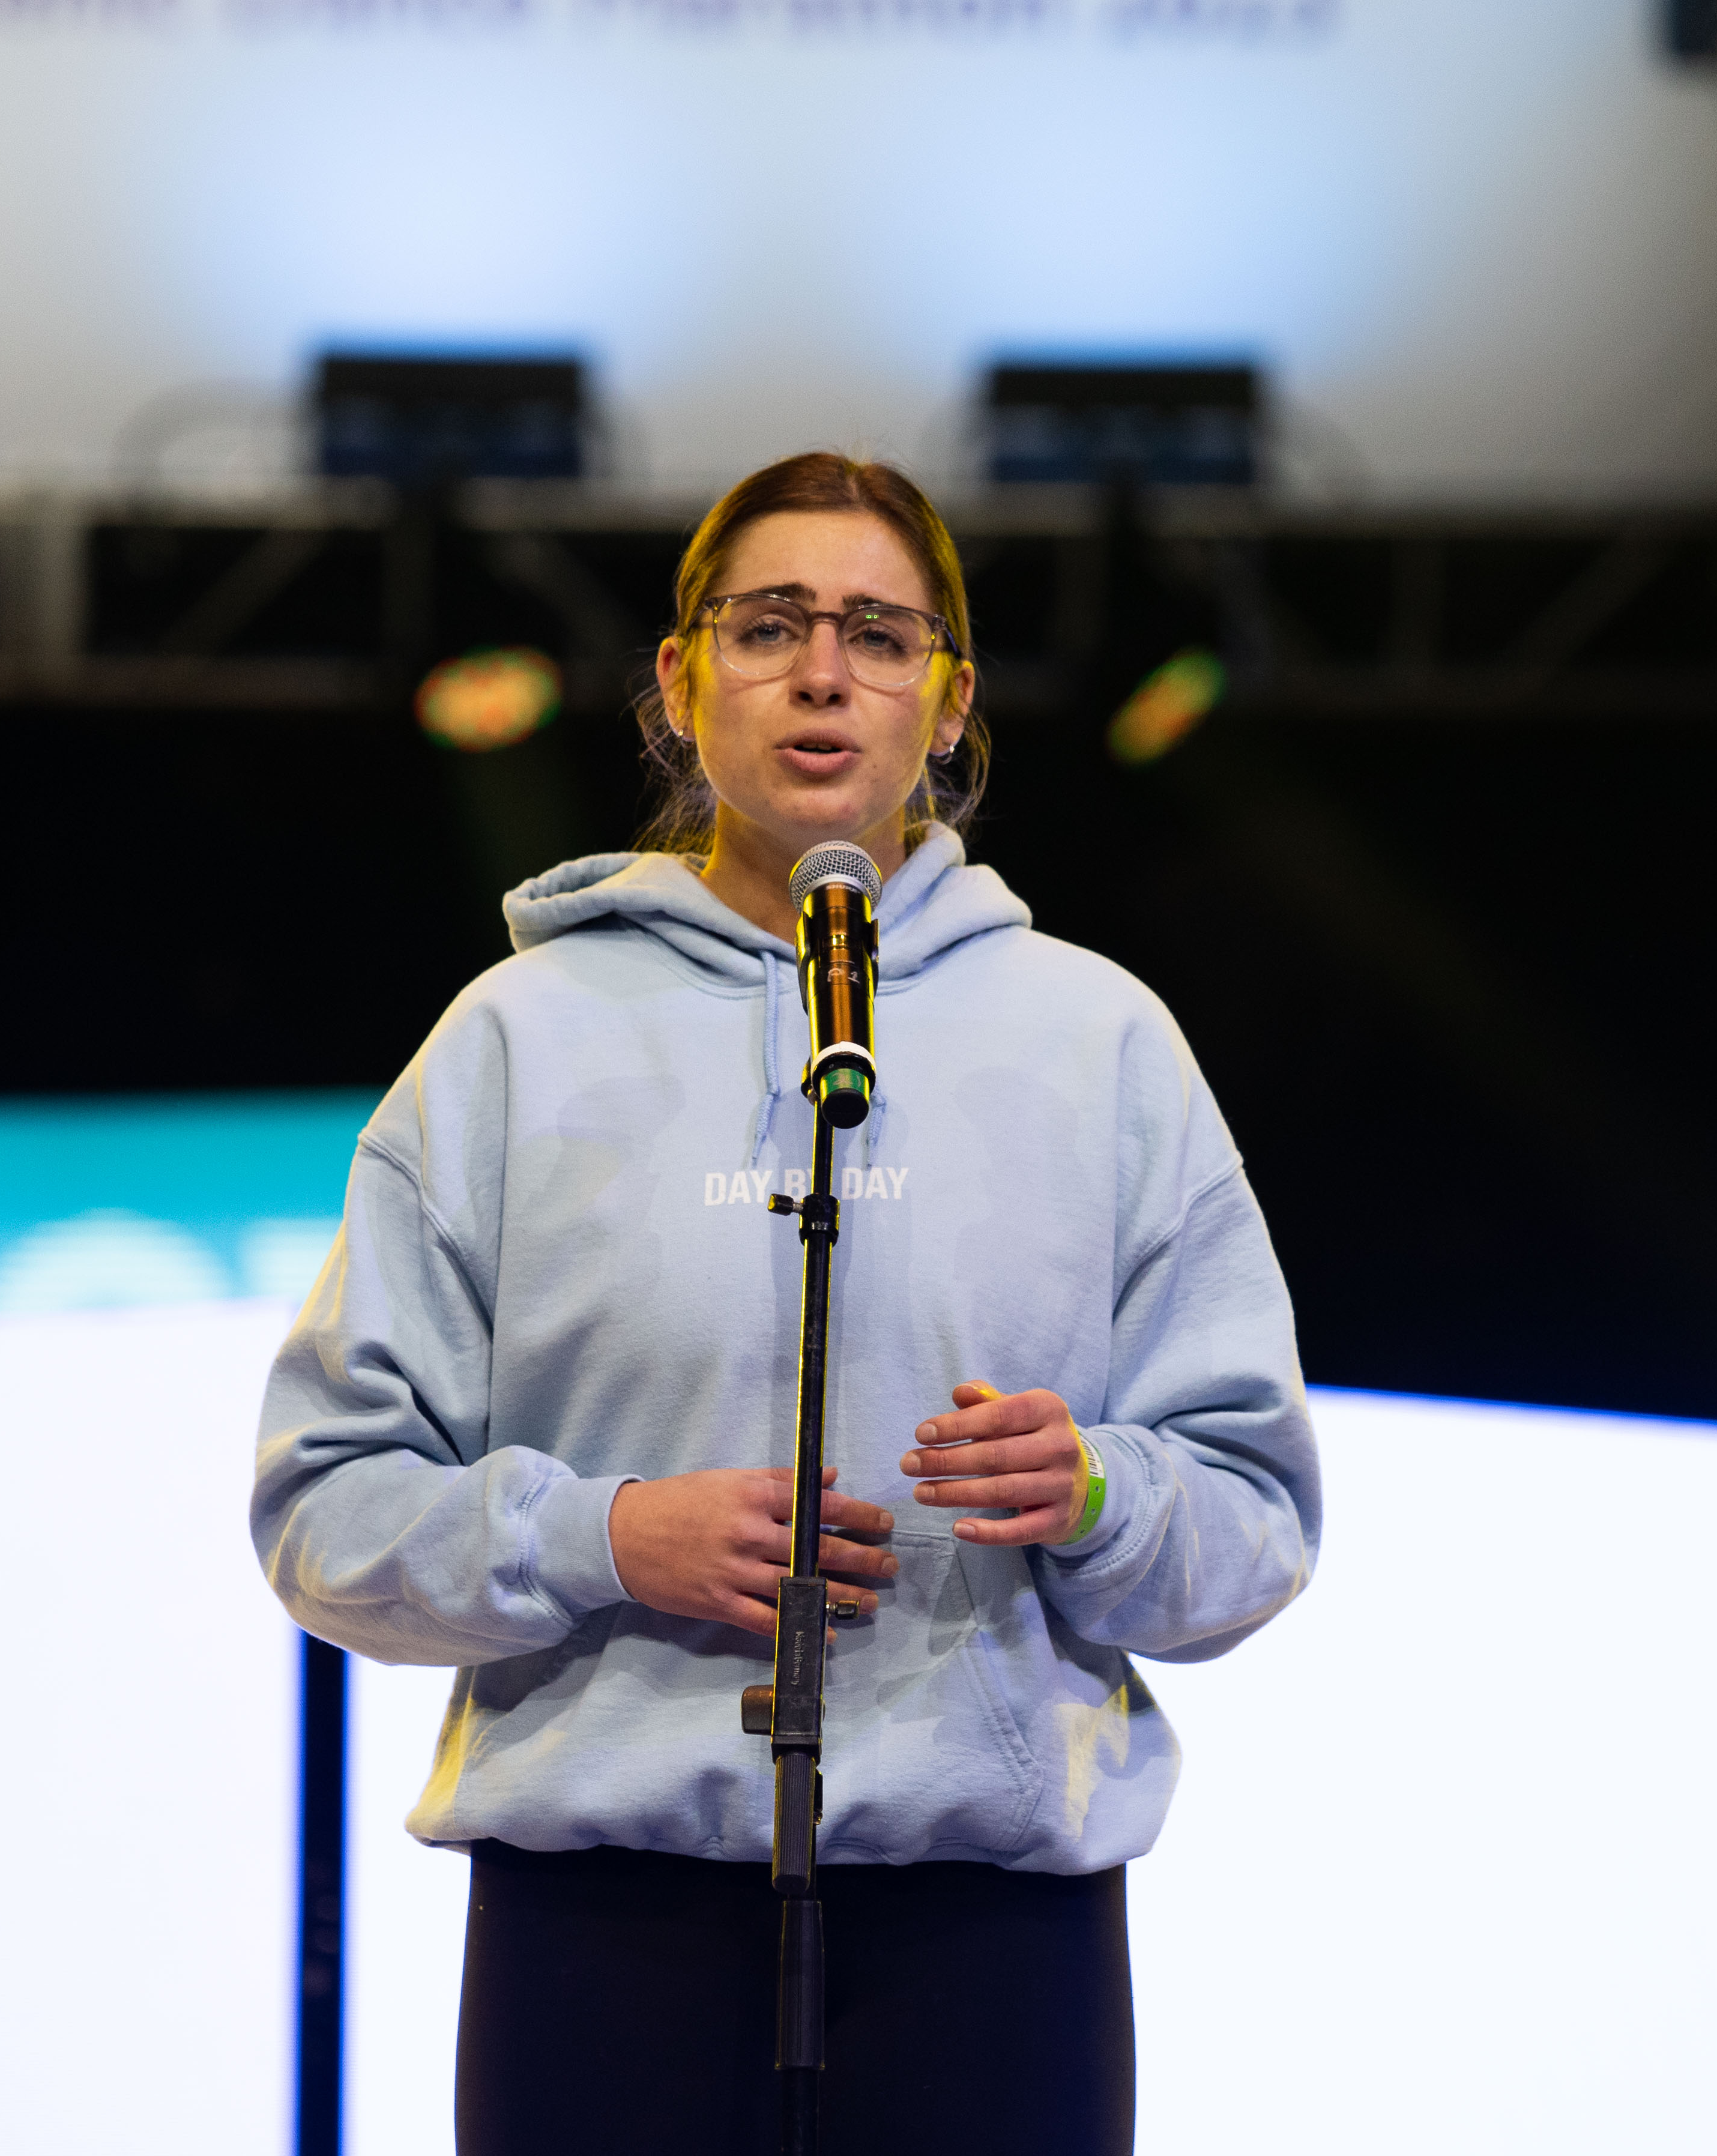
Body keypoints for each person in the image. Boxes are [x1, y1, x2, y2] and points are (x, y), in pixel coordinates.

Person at [250, 451, 1320, 2156]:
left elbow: (1255, 1520)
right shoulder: (516, 1042)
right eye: (768, 626)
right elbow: (325, 1512)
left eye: (881, 635)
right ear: (680, 684)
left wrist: (1097, 1492)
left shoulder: (1097, 1040)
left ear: (947, 702)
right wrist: (606, 1538)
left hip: (988, 1938)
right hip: (603, 1930)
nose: (824, 672)